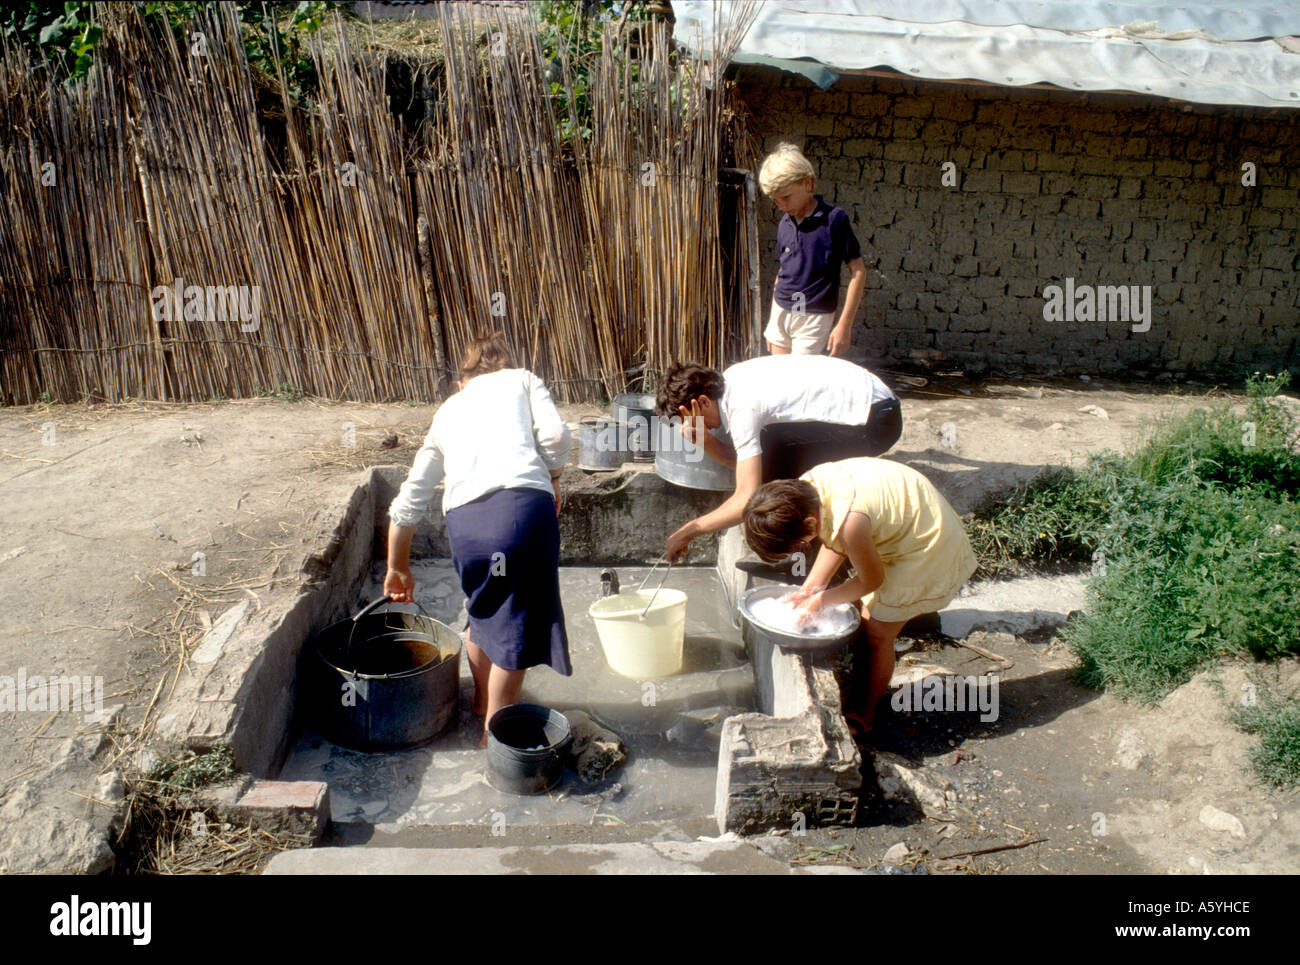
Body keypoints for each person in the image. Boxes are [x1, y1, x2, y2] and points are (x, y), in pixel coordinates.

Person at [384, 333, 572, 746]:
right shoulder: (522, 379)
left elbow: (409, 499)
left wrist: (397, 567)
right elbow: (557, 439)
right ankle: (496, 734)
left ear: (462, 381)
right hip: (522, 513)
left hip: (466, 524)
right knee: (516, 625)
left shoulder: (450, 409)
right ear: (503, 366)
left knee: (482, 612)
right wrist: (554, 477)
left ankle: (482, 702)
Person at [742, 457, 977, 737]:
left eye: (799, 544)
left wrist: (822, 600)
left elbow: (871, 579)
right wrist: (811, 587)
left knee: (877, 633)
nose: (803, 548)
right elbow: (835, 535)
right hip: (915, 516)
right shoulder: (809, 487)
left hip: (927, 547)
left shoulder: (851, 522)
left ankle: (864, 714)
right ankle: (862, 684)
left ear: (806, 521)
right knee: (865, 612)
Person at [655, 354, 901, 562]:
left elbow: (745, 500)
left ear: (704, 401)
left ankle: (808, 555)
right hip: (875, 405)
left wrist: (689, 531)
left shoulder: (743, 408)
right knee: (771, 461)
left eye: (689, 419)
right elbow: (750, 468)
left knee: (787, 483)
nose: (688, 427)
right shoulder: (732, 380)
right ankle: (801, 550)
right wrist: (707, 443)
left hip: (877, 423)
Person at [758, 143, 870, 356]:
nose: (781, 205)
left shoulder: (834, 220)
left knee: (801, 383)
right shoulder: (785, 223)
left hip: (813, 317)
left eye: (786, 197)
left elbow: (858, 271)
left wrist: (844, 326)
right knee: (780, 379)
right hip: (782, 310)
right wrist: (774, 320)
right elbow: (783, 271)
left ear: (808, 184)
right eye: (775, 200)